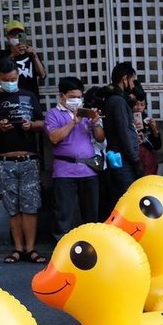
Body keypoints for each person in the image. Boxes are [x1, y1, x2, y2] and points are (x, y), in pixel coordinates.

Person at [0, 58, 46, 265]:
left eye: (13, 79)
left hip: (29, 158)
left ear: (18, 76)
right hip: (4, 160)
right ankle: (18, 248)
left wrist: (31, 125)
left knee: (30, 206)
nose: (10, 82)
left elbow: (42, 123)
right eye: (6, 79)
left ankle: (30, 248)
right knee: (12, 208)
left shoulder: (29, 96)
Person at [47, 76, 105, 235]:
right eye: (72, 97)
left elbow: (100, 138)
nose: (77, 100)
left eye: (79, 97)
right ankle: (61, 244)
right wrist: (73, 122)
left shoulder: (86, 113)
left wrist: (96, 123)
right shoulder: (53, 114)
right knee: (63, 213)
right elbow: (54, 138)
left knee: (91, 214)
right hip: (65, 171)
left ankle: (92, 242)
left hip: (89, 169)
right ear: (62, 96)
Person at [100, 62, 141, 211]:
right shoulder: (117, 101)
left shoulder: (113, 98)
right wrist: (134, 159)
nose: (133, 85)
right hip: (123, 159)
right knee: (126, 199)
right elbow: (123, 132)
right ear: (125, 79)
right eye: (132, 80)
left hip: (119, 156)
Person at [0, 19, 46, 97]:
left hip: (31, 96)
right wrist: (13, 55)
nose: (16, 37)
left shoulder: (30, 53)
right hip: (10, 97)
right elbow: (0, 70)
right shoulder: (2, 54)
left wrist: (35, 56)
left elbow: (42, 75)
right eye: (13, 34)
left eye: (19, 34)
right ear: (8, 37)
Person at [131, 89, 163, 177]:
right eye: (136, 104)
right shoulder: (127, 120)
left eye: (142, 105)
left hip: (148, 160)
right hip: (134, 160)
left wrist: (154, 129)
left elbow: (157, 146)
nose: (139, 107)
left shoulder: (147, 121)